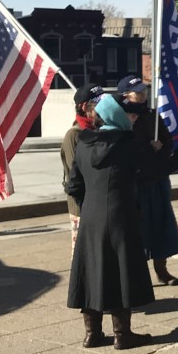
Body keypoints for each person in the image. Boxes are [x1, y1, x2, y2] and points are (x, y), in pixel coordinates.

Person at [66, 94, 178, 349]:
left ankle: (92, 333)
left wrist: (91, 204)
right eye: (126, 114)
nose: (131, 118)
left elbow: (73, 186)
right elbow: (152, 172)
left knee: (92, 270)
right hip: (121, 216)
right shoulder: (127, 145)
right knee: (120, 272)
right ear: (116, 116)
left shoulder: (83, 143)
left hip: (91, 217)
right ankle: (122, 334)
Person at [117, 75, 178, 286]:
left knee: (161, 226)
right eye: (137, 91)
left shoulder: (152, 115)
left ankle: (161, 270)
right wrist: (147, 148)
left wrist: (161, 148)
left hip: (156, 180)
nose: (142, 94)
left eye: (144, 91)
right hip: (134, 183)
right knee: (137, 231)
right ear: (125, 95)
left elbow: (168, 144)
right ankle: (137, 276)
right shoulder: (120, 118)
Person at [61, 84, 103, 253]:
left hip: (98, 202)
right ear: (85, 107)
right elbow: (75, 173)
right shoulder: (74, 135)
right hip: (81, 204)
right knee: (83, 253)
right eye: (97, 105)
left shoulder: (99, 131)